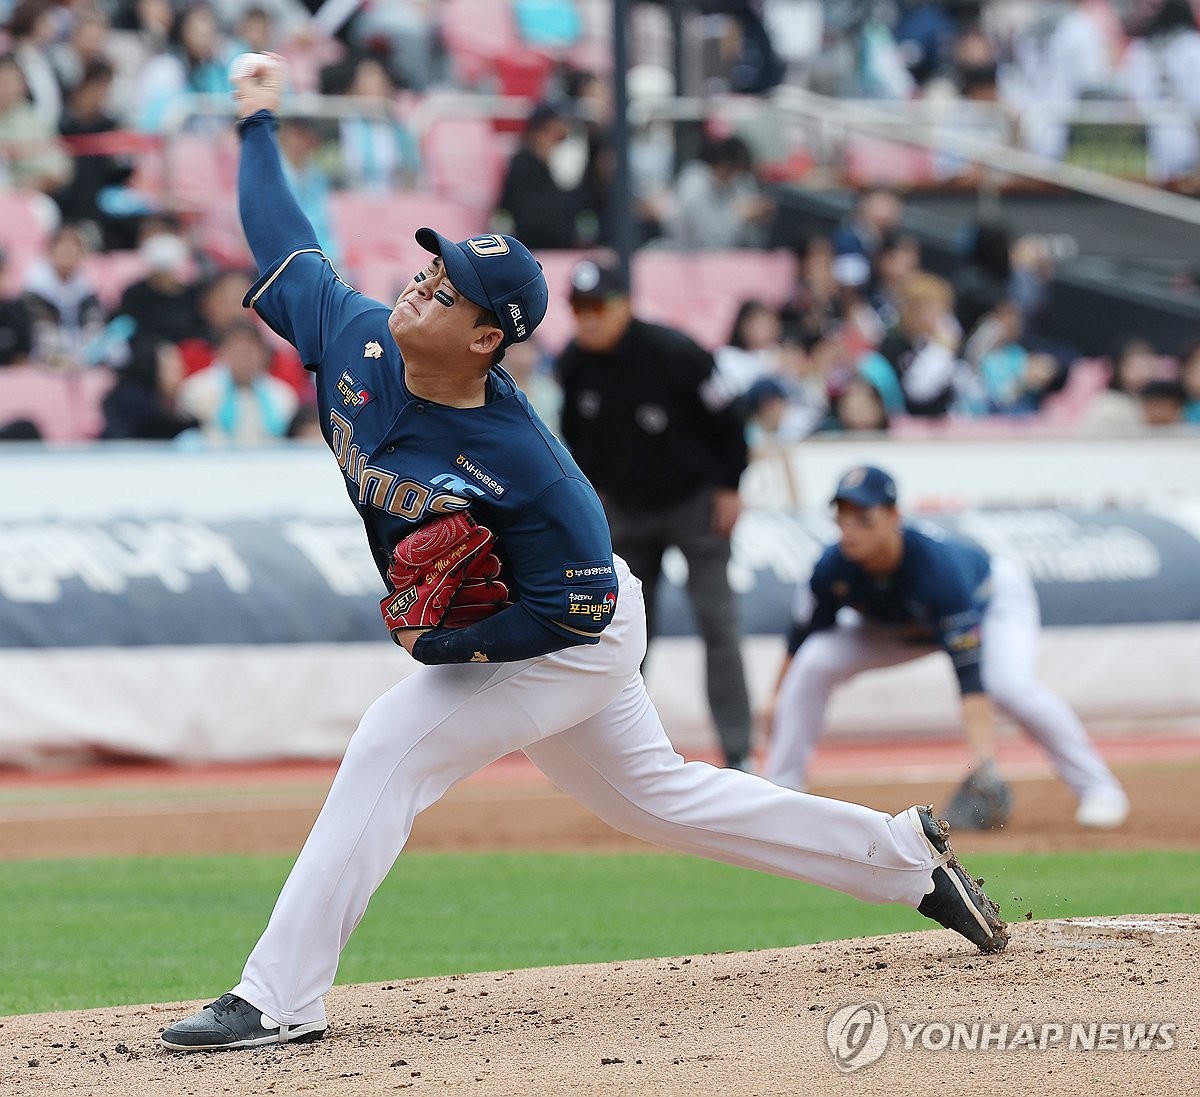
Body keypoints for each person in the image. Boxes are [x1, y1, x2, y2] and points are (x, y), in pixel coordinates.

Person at [158, 56, 1009, 1054]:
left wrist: (455, 647)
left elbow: (571, 610)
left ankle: (279, 995)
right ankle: (904, 857)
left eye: (448, 289)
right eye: (431, 266)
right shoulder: (354, 337)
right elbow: (281, 236)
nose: (423, 281)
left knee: (391, 744)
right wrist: (257, 117)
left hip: (572, 632)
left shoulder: (529, 467)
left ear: (486, 338)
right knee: (661, 798)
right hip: (542, 626)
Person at [764, 465, 1130, 831]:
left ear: (894, 517)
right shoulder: (833, 566)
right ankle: (781, 790)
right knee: (815, 661)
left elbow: (970, 677)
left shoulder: (938, 571)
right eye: (842, 519)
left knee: (1009, 687)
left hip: (991, 603)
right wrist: (776, 696)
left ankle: (1100, 790)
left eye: (863, 519)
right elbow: (802, 634)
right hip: (897, 627)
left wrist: (983, 762)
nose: (850, 531)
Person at [555, 255, 755, 772]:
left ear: (624, 305)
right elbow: (574, 443)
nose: (589, 318)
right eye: (579, 308)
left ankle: (739, 749)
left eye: (599, 306)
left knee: (717, 620)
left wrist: (730, 487)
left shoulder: (675, 352)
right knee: (621, 632)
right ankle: (616, 754)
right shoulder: (573, 365)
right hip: (626, 510)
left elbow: (731, 422)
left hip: (695, 503)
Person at [176, 319, 300, 443]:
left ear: (264, 355)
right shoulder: (197, 390)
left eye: (250, 352)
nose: (243, 359)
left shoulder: (282, 395)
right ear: (221, 352)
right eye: (237, 351)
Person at [495, 100, 582, 250]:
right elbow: (531, 220)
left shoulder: (552, 168)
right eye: (556, 135)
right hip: (535, 250)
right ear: (538, 133)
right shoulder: (522, 167)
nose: (558, 143)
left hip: (558, 249)